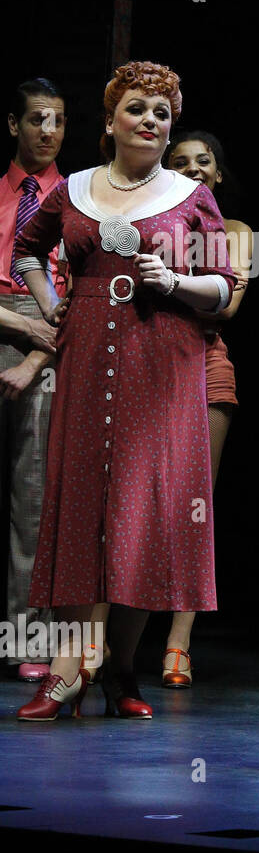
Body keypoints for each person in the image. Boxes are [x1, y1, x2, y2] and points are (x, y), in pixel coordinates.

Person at [13, 60, 237, 720]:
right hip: (86, 360)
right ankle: (67, 671)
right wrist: (51, 302)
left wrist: (172, 280)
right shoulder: (76, 189)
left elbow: (224, 286)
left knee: (147, 514)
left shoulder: (189, 196)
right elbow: (28, 250)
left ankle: (120, 668)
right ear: (111, 121)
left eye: (162, 113)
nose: (150, 120)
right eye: (137, 108)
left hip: (161, 360)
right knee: (83, 508)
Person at [160, 129, 256, 688]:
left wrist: (170, 284)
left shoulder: (240, 234)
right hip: (149, 367)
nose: (195, 169)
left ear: (218, 173)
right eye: (182, 163)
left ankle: (179, 643)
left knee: (195, 506)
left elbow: (227, 307)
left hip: (206, 364)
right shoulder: (152, 219)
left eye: (204, 162)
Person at [1, 78, 67, 682]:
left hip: (46, 339)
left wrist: (31, 358)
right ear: (14, 126)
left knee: (33, 499)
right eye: (36, 119)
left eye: (57, 121)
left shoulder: (76, 199)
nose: (47, 131)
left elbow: (75, 304)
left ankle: (27, 638)